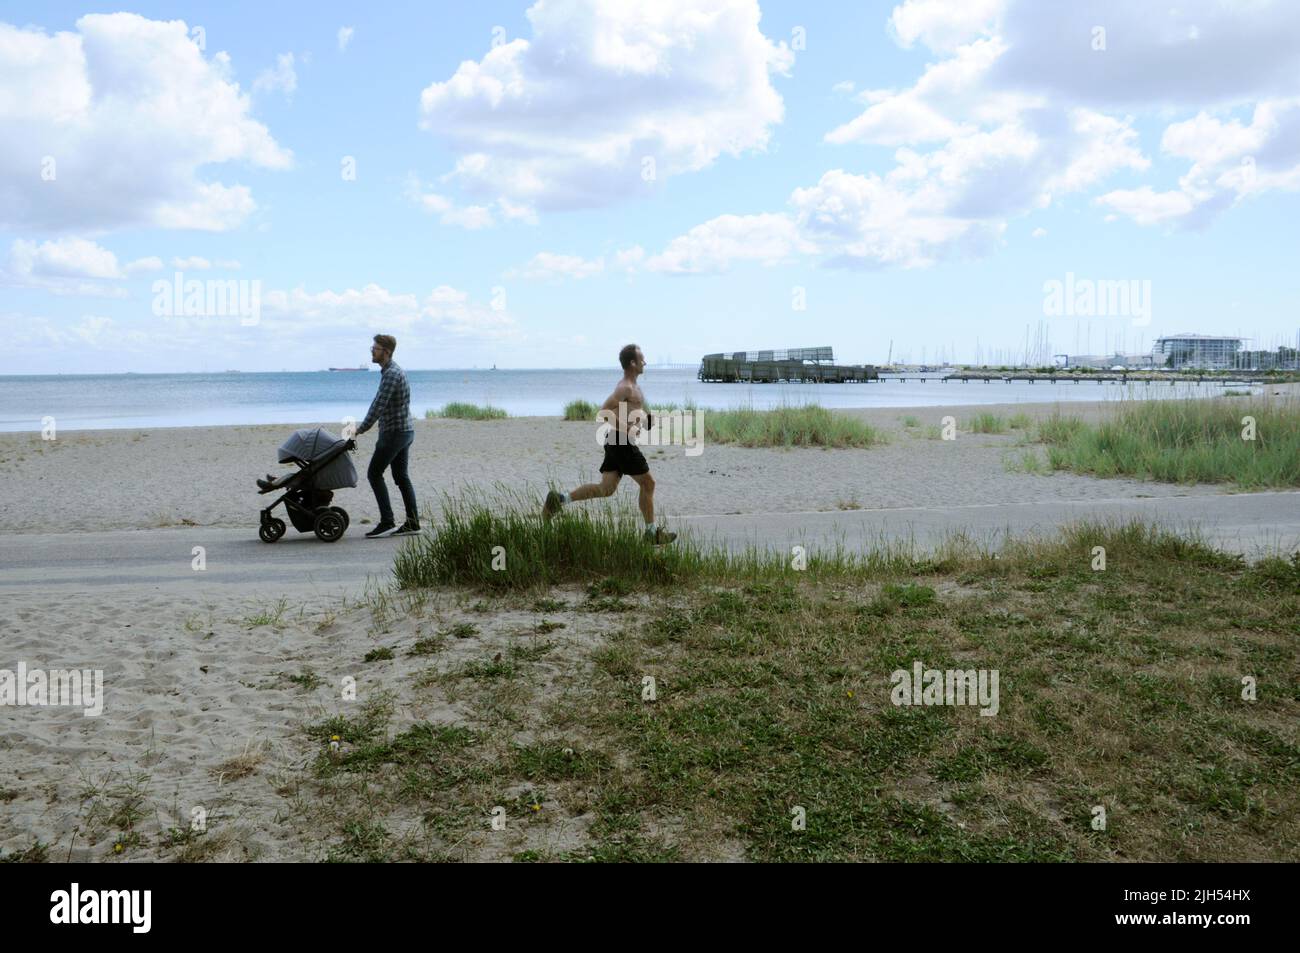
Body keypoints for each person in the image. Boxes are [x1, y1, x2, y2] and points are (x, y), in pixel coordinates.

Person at [543, 343, 676, 545]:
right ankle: (652, 533)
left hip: (616, 442)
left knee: (606, 489)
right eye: (642, 359)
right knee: (648, 483)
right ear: (632, 363)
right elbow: (603, 412)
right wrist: (628, 429)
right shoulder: (625, 387)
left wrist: (646, 419)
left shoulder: (635, 388)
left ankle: (559, 500)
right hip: (621, 442)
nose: (645, 362)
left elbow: (631, 412)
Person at [355, 334, 419, 537]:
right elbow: (380, 403)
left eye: (375, 348)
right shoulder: (391, 372)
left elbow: (378, 406)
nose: (372, 351)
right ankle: (412, 522)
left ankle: (387, 520)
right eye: (372, 347)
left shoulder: (392, 374)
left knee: (374, 474)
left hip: (394, 433)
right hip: (404, 431)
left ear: (387, 352)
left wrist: (360, 429)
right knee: (401, 477)